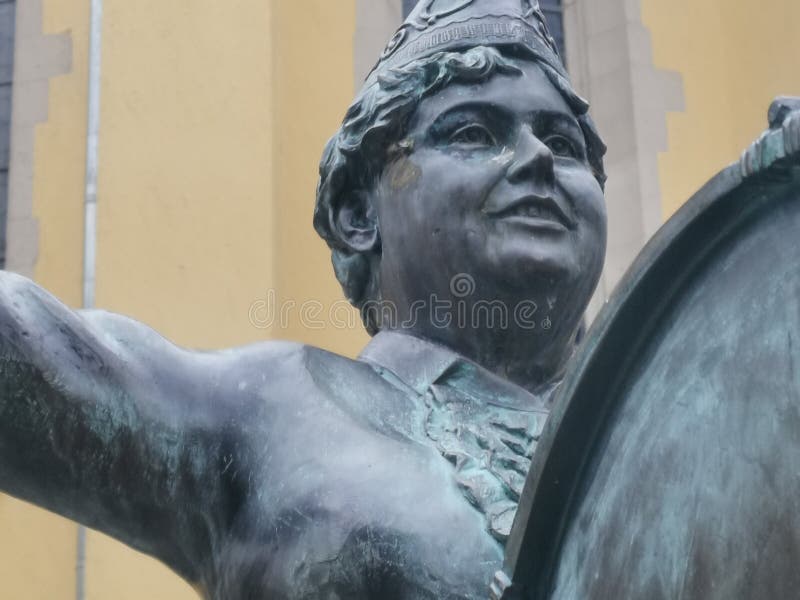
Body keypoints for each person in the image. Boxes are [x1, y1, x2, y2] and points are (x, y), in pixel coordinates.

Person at [0, 1, 608, 598]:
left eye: (564, 142)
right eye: (474, 133)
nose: (537, 159)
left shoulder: (655, 421)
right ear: (358, 215)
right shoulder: (270, 404)